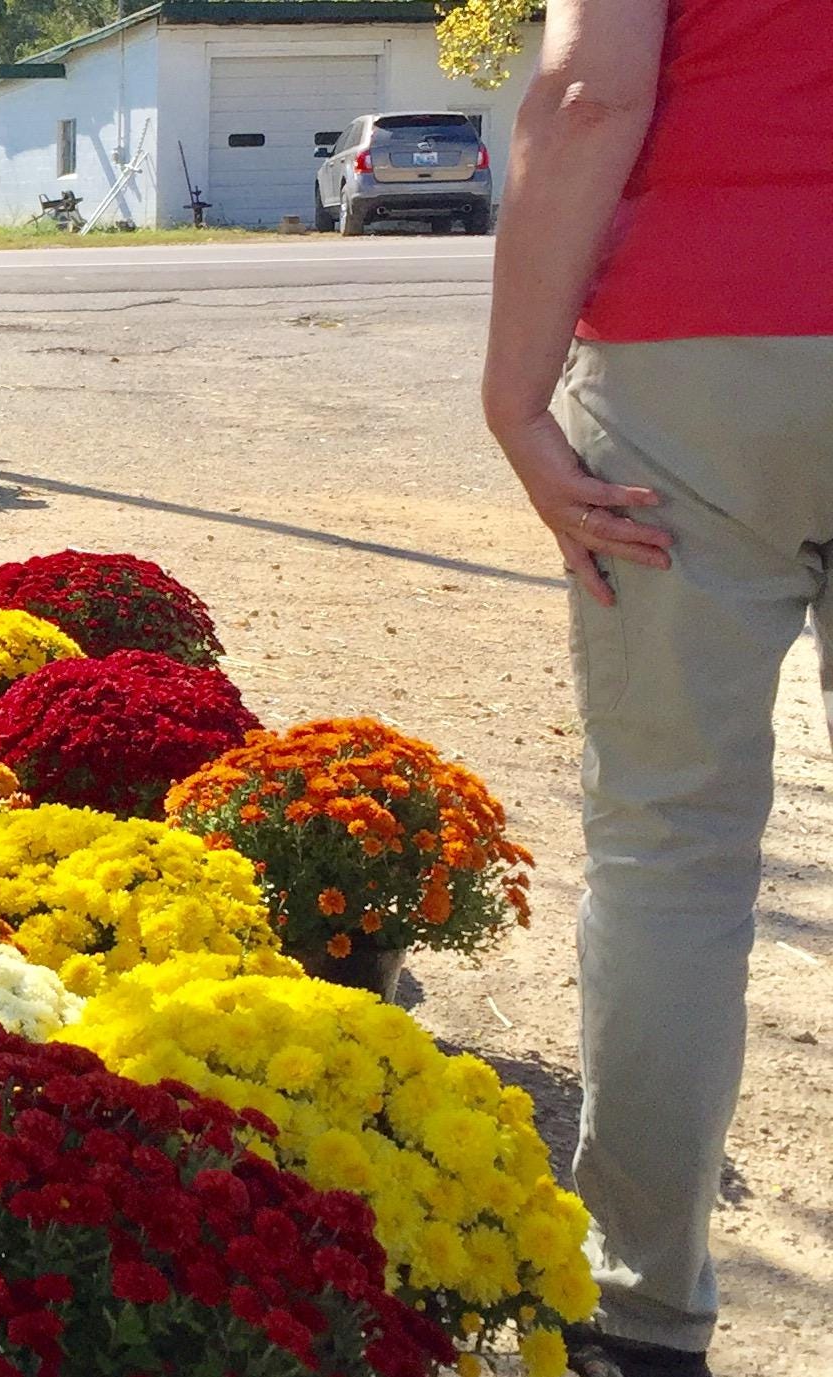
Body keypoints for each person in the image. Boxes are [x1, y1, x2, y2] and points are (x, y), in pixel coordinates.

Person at [481, 2, 833, 1375]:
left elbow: (585, 95)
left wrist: (515, 399)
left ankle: (642, 1312)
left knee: (670, 849)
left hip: (698, 351)